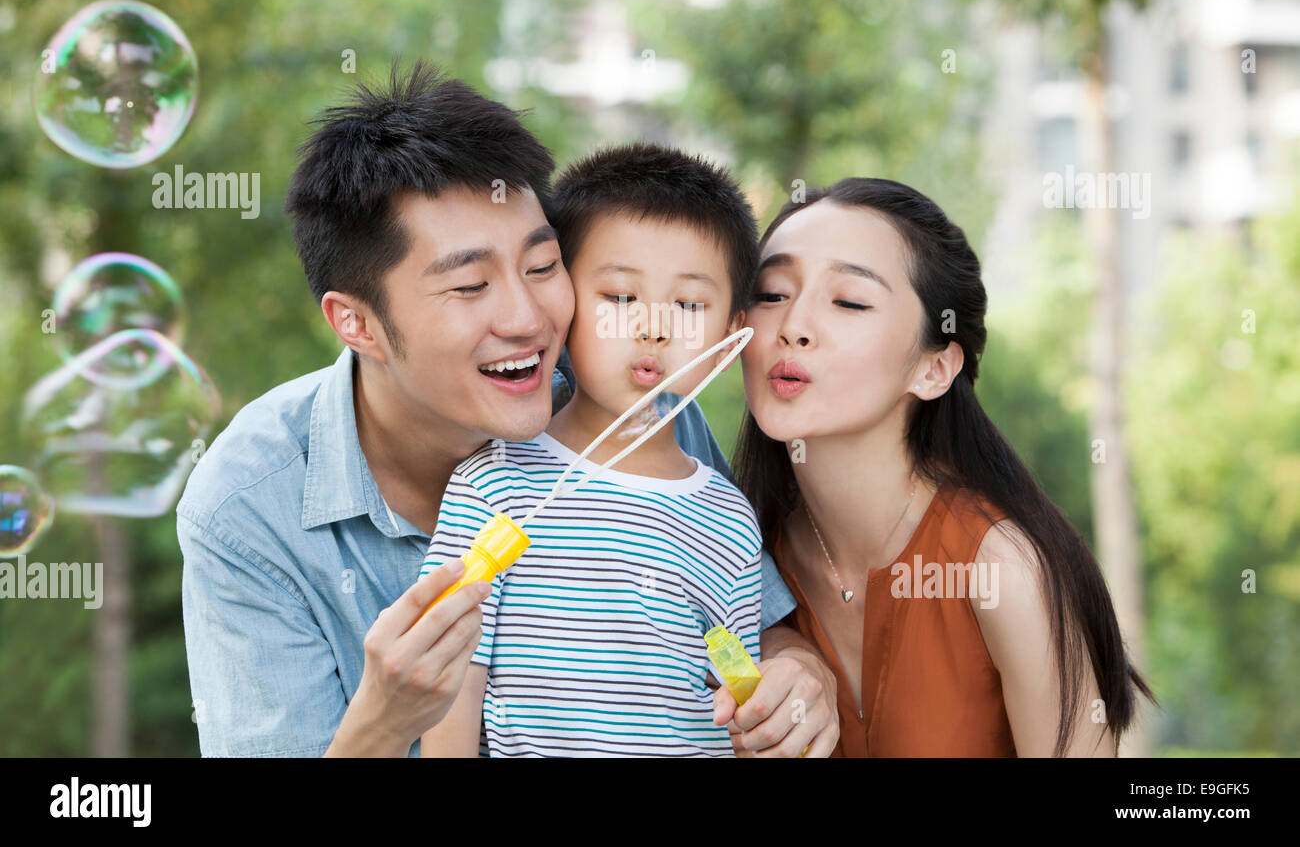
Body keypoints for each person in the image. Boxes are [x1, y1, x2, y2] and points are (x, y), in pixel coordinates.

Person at [176, 61, 838, 757]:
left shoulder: (633, 392)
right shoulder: (246, 512)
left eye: (542, 265)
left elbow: (736, 623)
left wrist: (799, 670)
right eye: (468, 285)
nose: (527, 320)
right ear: (357, 324)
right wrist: (387, 718)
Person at [418, 143, 838, 757]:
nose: (654, 329)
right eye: (619, 297)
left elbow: (738, 691)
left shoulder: (729, 521)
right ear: (560, 305)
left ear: (728, 337)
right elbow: (451, 686)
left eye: (690, 306)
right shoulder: (493, 487)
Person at [733, 177, 1156, 756]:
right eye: (772, 293)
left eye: (849, 301)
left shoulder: (1004, 570)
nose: (793, 326)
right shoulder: (729, 548)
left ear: (934, 368)